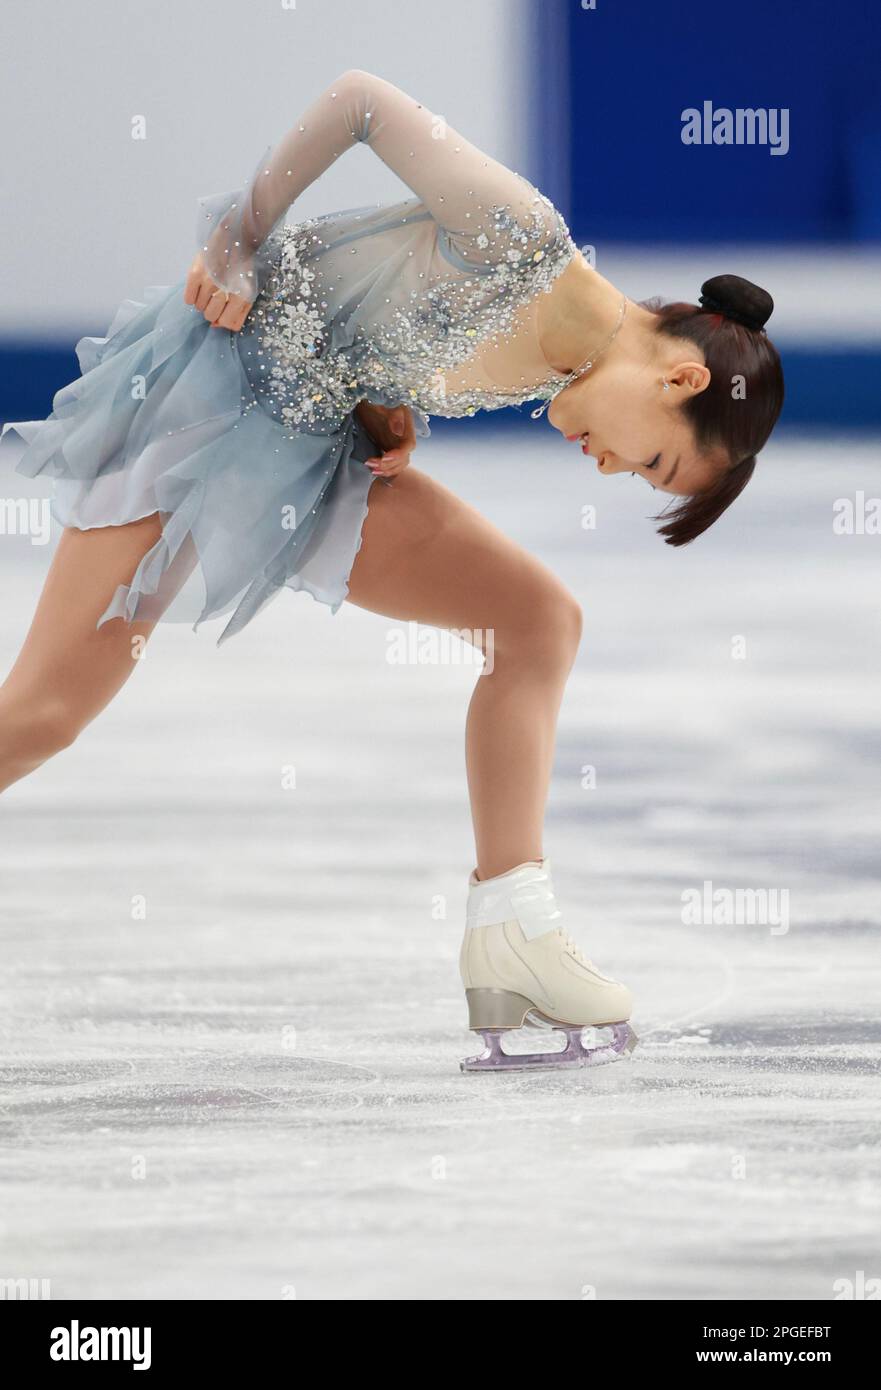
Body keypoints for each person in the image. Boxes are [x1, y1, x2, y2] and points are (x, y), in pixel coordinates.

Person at [0, 70, 784, 1071]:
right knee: (42, 716)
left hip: (304, 447)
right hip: (205, 400)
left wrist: (376, 403)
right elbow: (358, 101)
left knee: (535, 619)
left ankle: (513, 931)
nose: (612, 467)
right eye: (651, 459)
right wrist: (235, 242)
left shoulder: (562, 365)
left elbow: (366, 317)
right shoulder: (521, 238)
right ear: (678, 379)